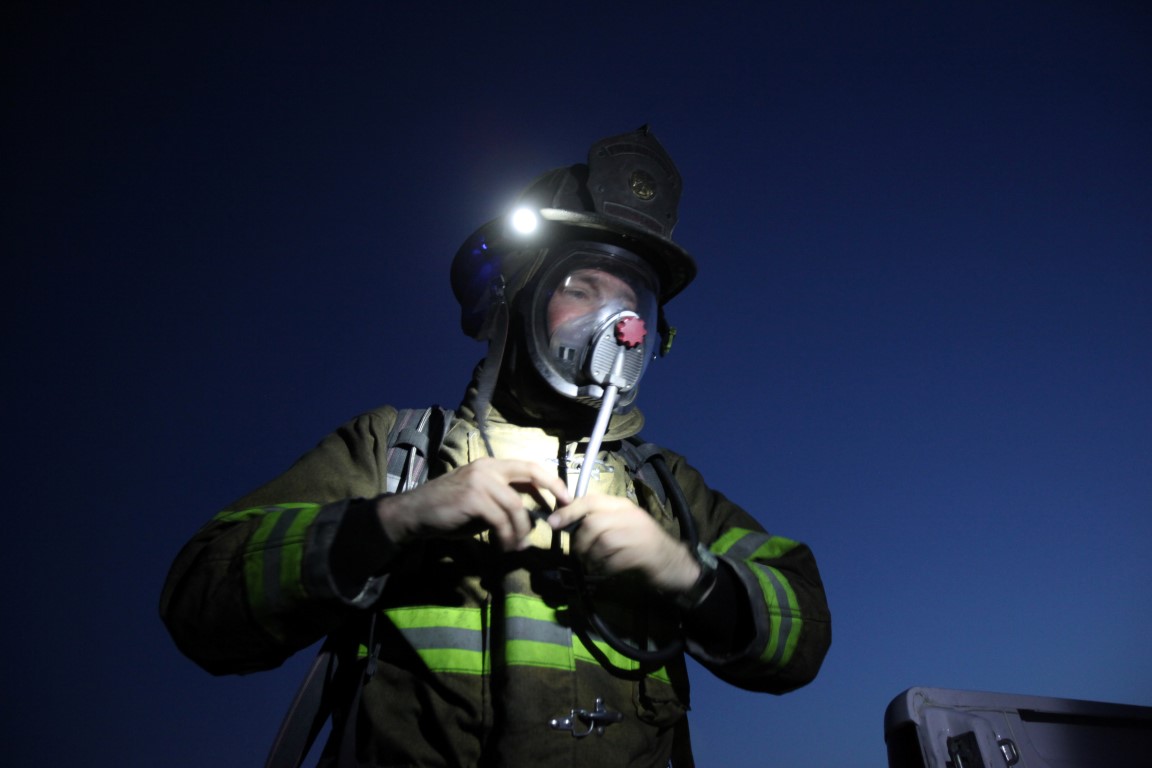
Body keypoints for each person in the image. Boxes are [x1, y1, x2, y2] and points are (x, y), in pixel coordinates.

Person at [160, 126, 832, 768]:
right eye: (583, 287)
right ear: (518, 296)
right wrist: (395, 521)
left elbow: (803, 635)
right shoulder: (395, 450)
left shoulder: (665, 490)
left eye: (633, 300)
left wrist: (689, 574)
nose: (618, 324)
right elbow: (200, 601)